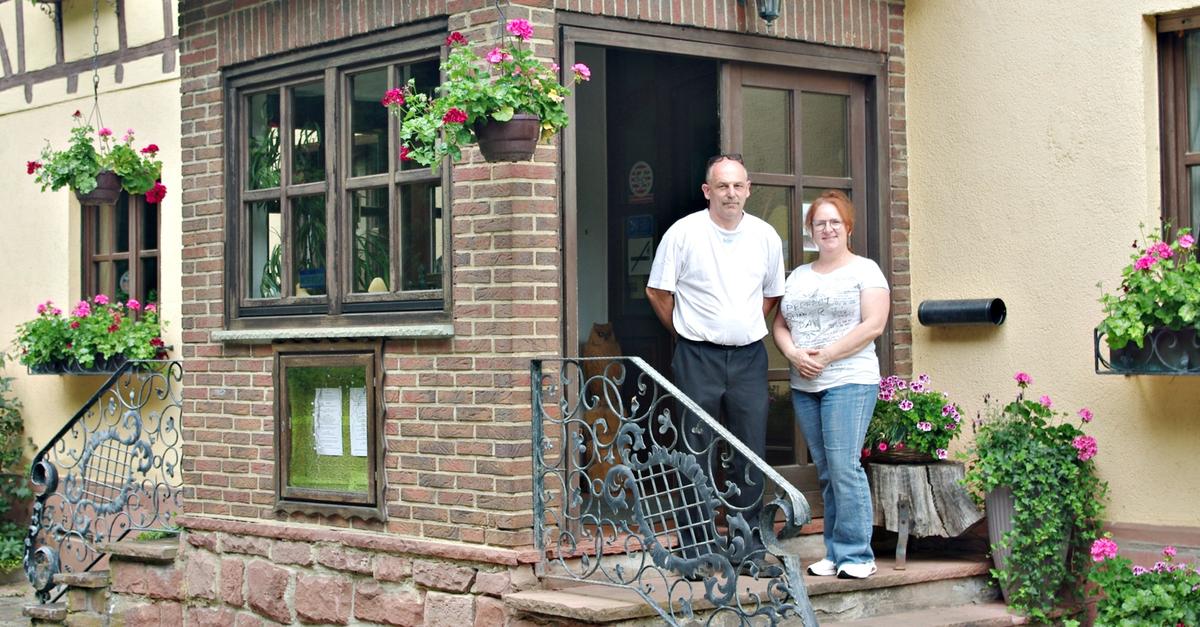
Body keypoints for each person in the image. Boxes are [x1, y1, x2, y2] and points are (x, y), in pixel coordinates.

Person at [645, 154, 785, 567]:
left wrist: (740, 326)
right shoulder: (684, 233)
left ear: (748, 190)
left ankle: (749, 548)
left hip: (748, 358)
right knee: (695, 448)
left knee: (750, 450)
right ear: (708, 191)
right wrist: (686, 332)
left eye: (738, 186)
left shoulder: (765, 236)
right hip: (696, 356)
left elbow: (773, 293)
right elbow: (657, 291)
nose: (731, 193)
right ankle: (697, 549)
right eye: (722, 186)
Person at [772, 189, 889, 580]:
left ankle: (858, 554)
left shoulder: (865, 270)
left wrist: (826, 355)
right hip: (806, 384)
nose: (827, 229)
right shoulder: (798, 276)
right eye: (819, 223)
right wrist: (793, 354)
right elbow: (780, 324)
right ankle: (835, 552)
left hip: (849, 379)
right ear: (811, 231)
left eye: (834, 222)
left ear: (848, 227)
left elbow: (873, 324)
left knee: (844, 466)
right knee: (826, 469)